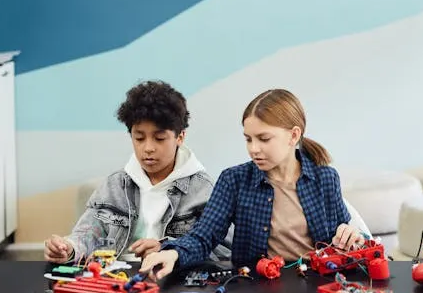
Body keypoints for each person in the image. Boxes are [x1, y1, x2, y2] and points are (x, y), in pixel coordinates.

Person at [139, 88, 364, 279]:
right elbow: (204, 235)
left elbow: (345, 240)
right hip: (258, 286)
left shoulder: (326, 178)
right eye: (248, 139)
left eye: (264, 139)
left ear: (293, 136)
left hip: (316, 284)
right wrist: (173, 254)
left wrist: (350, 237)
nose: (253, 148)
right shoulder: (234, 180)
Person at [44, 80, 225, 264]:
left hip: (175, 282)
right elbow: (89, 232)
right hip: (117, 280)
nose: (148, 148)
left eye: (159, 138)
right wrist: (69, 248)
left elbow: (221, 251)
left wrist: (170, 249)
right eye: (139, 138)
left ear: (180, 137)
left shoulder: (204, 190)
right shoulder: (115, 186)